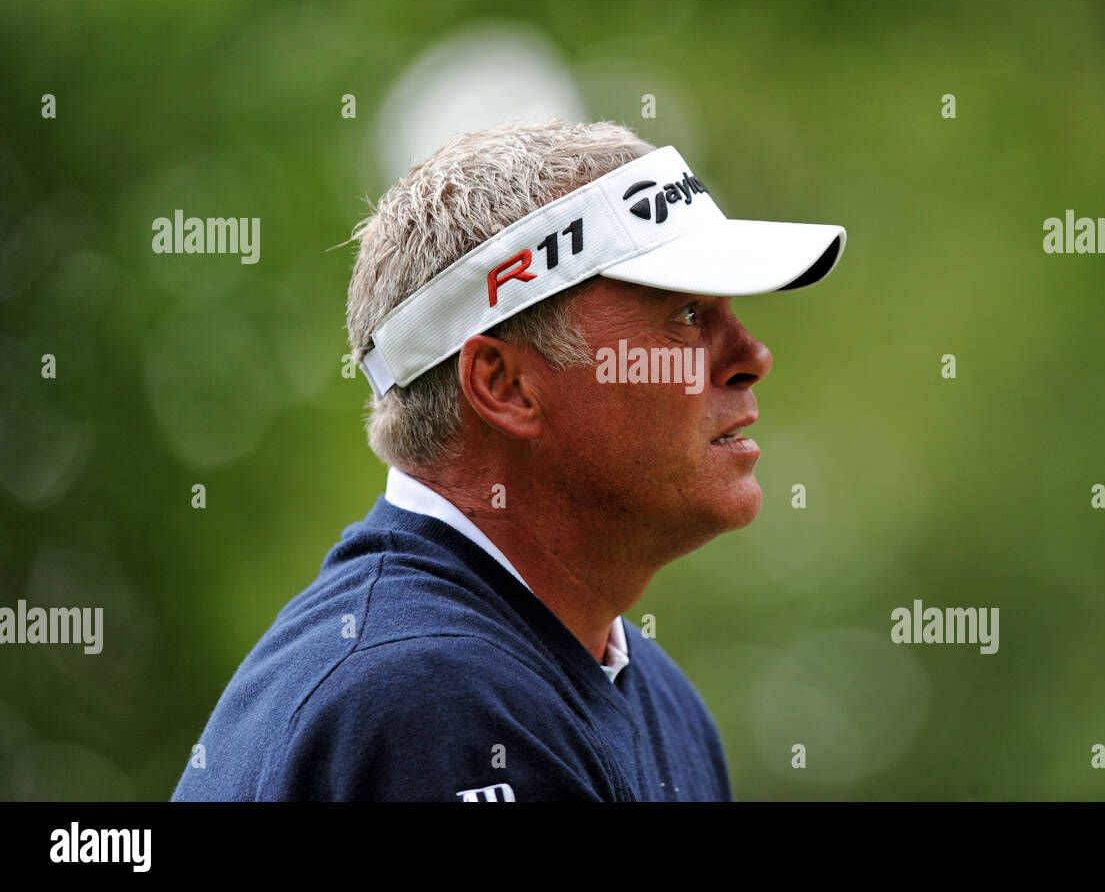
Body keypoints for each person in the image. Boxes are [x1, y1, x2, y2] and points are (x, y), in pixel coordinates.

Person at [171, 118, 845, 801]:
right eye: (688, 316)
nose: (751, 357)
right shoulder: (426, 698)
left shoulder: (655, 696)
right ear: (505, 384)